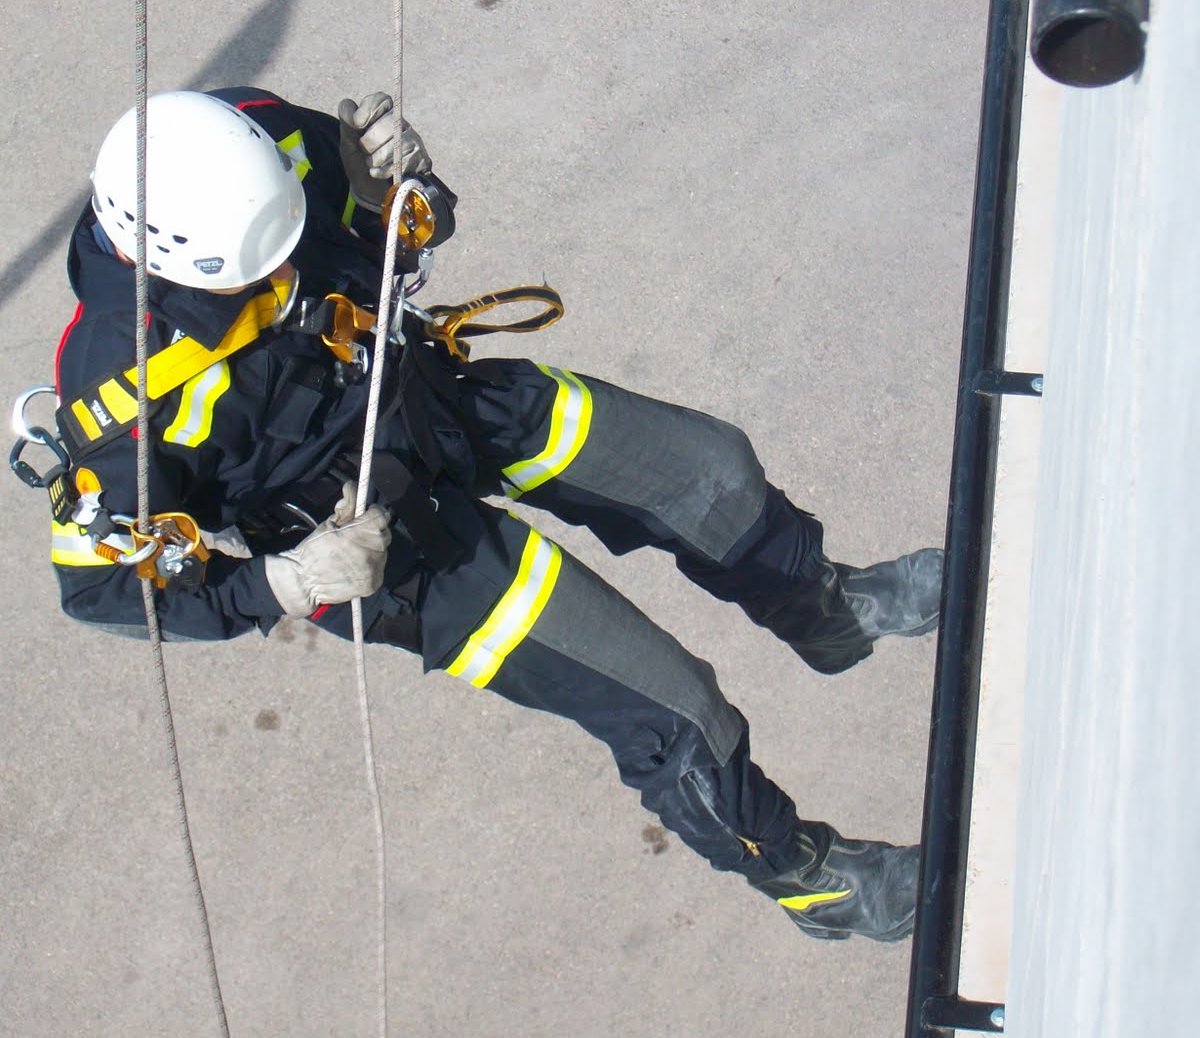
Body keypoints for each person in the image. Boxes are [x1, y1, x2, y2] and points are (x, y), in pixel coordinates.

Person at [47, 87, 941, 943]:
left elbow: (390, 242)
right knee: (674, 704)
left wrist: (402, 193)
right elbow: (101, 588)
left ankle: (829, 609)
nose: (285, 267)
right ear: (166, 262)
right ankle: (810, 880)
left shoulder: (259, 141)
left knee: (708, 470)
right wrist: (282, 582)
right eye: (260, 269)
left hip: (429, 395)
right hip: (384, 550)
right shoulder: (120, 399)